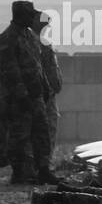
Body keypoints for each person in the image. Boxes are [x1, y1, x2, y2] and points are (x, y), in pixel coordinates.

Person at [0, 1, 57, 185]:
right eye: (30, 15)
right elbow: (10, 70)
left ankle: (43, 170)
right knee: (19, 136)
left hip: (36, 95)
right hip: (18, 98)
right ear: (20, 16)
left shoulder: (30, 36)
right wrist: (22, 95)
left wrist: (45, 89)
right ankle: (19, 172)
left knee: (41, 134)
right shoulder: (8, 38)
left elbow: (37, 65)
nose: (33, 18)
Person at [33, 13, 62, 158]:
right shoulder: (38, 43)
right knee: (47, 130)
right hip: (44, 94)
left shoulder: (36, 42)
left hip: (44, 93)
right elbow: (49, 70)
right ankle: (44, 163)